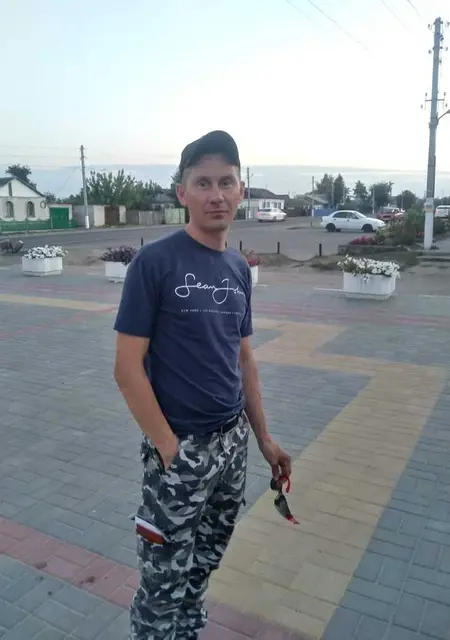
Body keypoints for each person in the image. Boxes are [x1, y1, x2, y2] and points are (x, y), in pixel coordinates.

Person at [113, 130, 291, 640]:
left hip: (233, 446)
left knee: (203, 565)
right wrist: (169, 448)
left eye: (226, 182)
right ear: (182, 193)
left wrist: (263, 439)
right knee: (162, 582)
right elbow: (127, 368)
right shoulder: (155, 263)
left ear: (241, 191)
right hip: (182, 450)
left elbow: (244, 358)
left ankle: (189, 631)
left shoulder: (237, 268)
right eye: (203, 183)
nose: (216, 194)